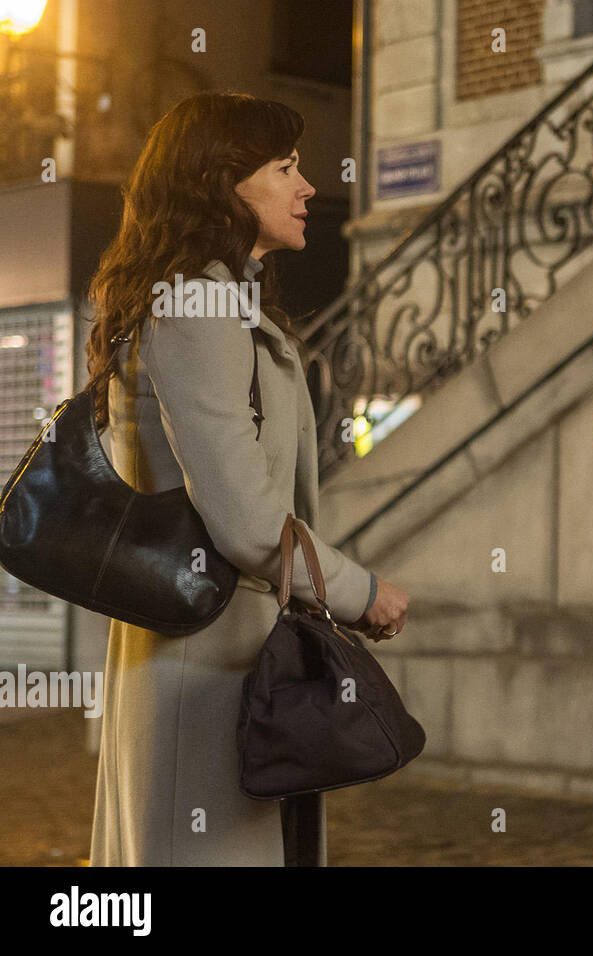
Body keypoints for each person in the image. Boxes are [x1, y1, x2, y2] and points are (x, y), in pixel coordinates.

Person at [85, 92, 411, 866]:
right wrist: (362, 592)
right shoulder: (199, 306)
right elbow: (243, 517)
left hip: (231, 660)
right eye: (285, 168)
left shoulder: (218, 299)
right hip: (207, 666)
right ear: (223, 182)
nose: (307, 186)